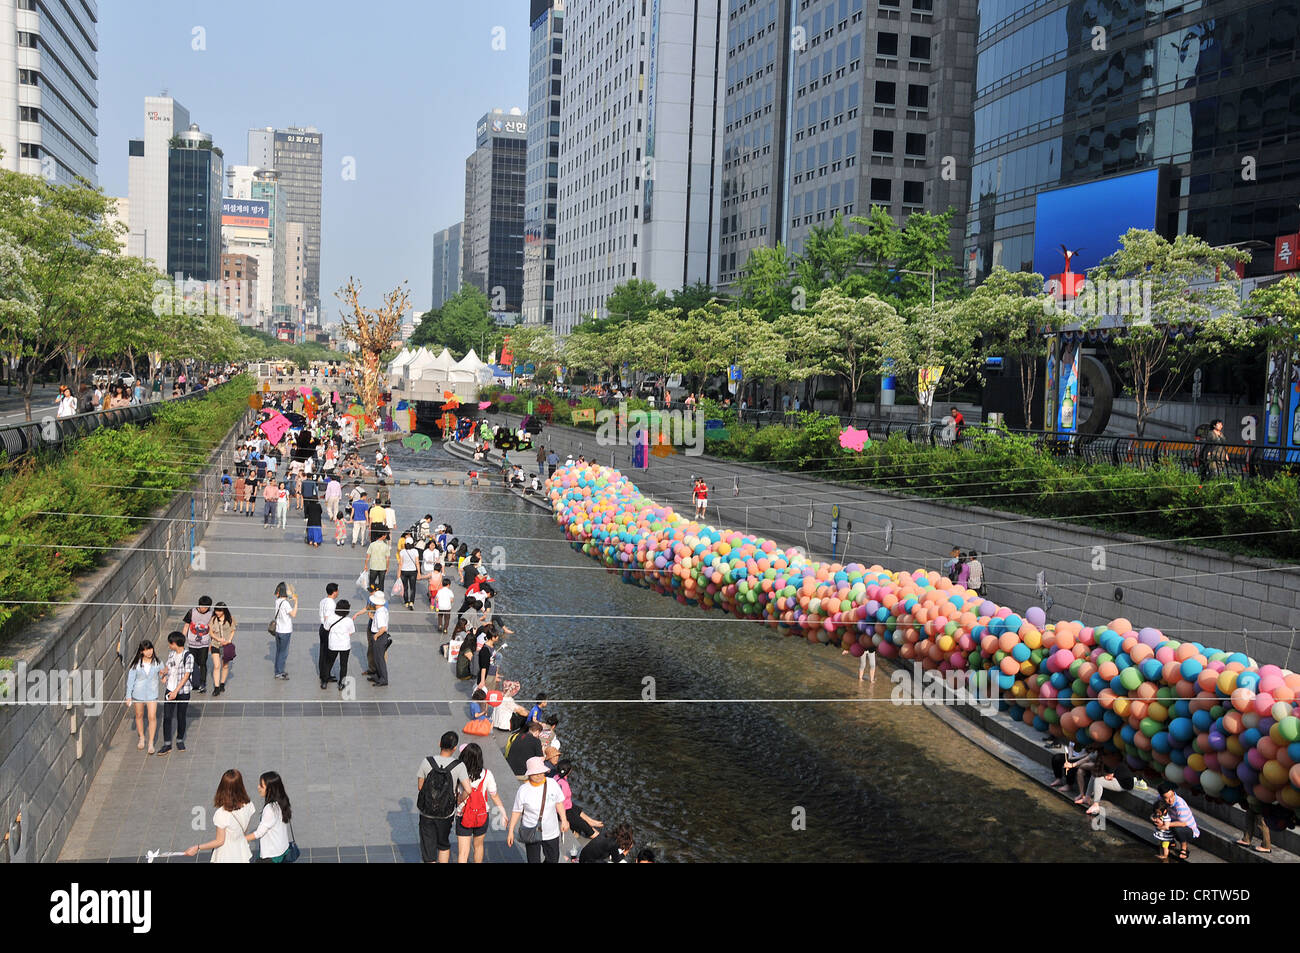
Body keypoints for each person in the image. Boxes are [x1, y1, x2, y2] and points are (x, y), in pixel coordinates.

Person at [416, 731, 471, 864]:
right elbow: (468, 790)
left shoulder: (427, 761)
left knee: (429, 853)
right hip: (446, 813)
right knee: (443, 845)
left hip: (427, 812)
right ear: (454, 748)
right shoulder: (459, 766)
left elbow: (420, 787)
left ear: (439, 743)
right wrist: (458, 800)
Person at [507, 756, 568, 863]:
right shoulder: (523, 790)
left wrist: (564, 820)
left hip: (551, 831)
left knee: (553, 859)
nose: (539, 775)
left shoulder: (552, 784)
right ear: (529, 774)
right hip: (531, 830)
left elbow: (559, 803)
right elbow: (517, 811)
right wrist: (511, 831)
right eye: (536, 773)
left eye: (541, 772)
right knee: (533, 860)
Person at [185, 769, 255, 862]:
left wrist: (197, 847)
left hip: (226, 854)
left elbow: (220, 841)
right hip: (241, 850)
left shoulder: (222, 814)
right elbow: (244, 830)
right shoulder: (249, 804)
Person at [456, 742, 507, 864]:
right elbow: (494, 795)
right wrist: (503, 813)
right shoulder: (487, 774)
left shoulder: (459, 773)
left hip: (463, 815)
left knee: (463, 852)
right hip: (481, 815)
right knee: (478, 846)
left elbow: (455, 795)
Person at [157, 632, 193, 755]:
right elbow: (168, 667)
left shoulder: (188, 656)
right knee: (167, 717)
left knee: (181, 716)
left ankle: (179, 739)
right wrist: (163, 673)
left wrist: (175, 691)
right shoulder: (171, 654)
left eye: (170, 643)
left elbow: (186, 676)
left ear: (175, 643)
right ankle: (167, 744)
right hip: (170, 689)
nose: (169, 645)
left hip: (182, 691)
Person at [246, 771, 293, 863]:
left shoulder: (270, 809)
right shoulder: (281, 802)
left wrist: (239, 839)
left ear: (270, 789)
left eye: (261, 785)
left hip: (272, 855)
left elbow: (259, 833)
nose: (258, 787)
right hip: (282, 849)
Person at [124, 640, 161, 753]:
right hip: (138, 694)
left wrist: (164, 676)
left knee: (152, 716)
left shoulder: (157, 662)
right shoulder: (136, 665)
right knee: (139, 715)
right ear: (141, 651)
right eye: (146, 650)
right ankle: (141, 738)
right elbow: (130, 681)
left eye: (150, 649)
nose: (149, 652)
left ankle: (151, 743)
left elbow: (162, 673)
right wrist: (128, 696)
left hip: (152, 694)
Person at [549, 761, 604, 838]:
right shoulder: (563, 785)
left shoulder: (555, 778)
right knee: (584, 825)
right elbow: (561, 803)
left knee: (577, 809)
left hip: (566, 806)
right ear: (569, 771)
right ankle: (596, 835)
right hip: (564, 810)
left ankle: (590, 821)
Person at [1155, 781, 1200, 860]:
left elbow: (1183, 824)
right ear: (1162, 797)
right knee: (1157, 820)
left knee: (1177, 829)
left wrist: (1165, 824)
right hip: (1171, 822)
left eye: (1172, 796)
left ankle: (1184, 848)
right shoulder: (1160, 799)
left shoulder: (1180, 805)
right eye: (1167, 798)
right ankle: (1170, 841)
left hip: (1187, 829)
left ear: (1174, 792)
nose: (1170, 800)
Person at [181, 595, 214, 694]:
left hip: (204, 643)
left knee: (203, 663)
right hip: (192, 642)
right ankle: (193, 682)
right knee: (193, 663)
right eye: (202, 607)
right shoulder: (191, 612)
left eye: (206, 607)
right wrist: (182, 640)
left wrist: (212, 642)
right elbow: (186, 625)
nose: (204, 609)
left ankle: (202, 683)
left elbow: (212, 628)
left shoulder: (211, 614)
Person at [359, 591, 391, 687]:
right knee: (376, 657)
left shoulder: (380, 612)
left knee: (379, 658)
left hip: (379, 636)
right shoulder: (382, 610)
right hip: (380, 635)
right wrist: (373, 617)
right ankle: (378, 675)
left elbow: (383, 628)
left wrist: (376, 636)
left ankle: (383, 679)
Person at [322, 599, 354, 690]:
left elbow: (326, 628)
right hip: (345, 645)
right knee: (343, 665)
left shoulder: (330, 618)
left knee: (329, 663)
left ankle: (324, 681)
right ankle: (341, 684)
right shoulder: (349, 620)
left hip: (333, 644)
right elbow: (351, 632)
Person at [208, 602, 237, 697]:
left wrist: (229, 640)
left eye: (219, 610)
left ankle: (222, 684)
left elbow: (233, 630)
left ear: (224, 610)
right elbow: (211, 633)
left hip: (226, 646)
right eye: (216, 610)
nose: (217, 612)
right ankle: (216, 687)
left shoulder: (230, 619)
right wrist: (217, 639)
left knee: (225, 666)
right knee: (217, 666)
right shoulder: (213, 619)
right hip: (215, 645)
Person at [271, 582, 297, 680]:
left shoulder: (278, 601)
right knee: (284, 652)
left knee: (279, 651)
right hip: (285, 631)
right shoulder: (285, 603)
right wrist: (296, 602)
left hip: (278, 630)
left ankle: (278, 670)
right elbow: (293, 614)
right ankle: (279, 672)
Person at [318, 583, 339, 686]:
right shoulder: (331, 603)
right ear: (334, 592)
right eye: (337, 590)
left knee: (323, 651)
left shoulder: (323, 600)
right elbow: (327, 617)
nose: (338, 592)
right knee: (328, 653)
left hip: (322, 628)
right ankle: (325, 676)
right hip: (327, 629)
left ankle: (324, 674)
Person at [397, 534, 420, 611]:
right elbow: (417, 563)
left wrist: (398, 574)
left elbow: (400, 563)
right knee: (413, 588)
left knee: (405, 588)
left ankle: (406, 602)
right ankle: (411, 602)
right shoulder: (415, 551)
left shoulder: (402, 552)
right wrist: (419, 573)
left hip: (404, 571)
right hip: (413, 571)